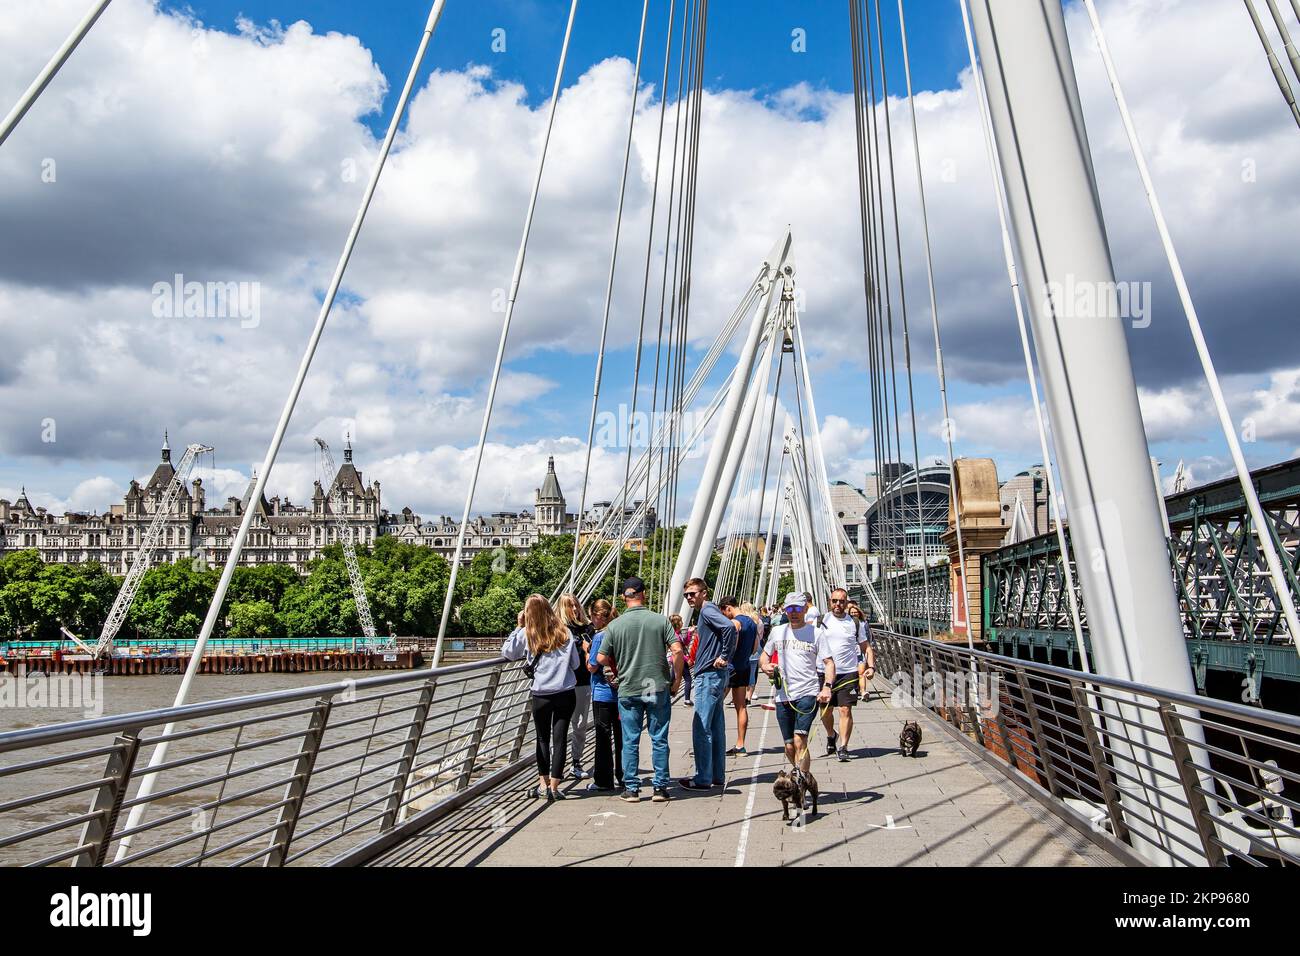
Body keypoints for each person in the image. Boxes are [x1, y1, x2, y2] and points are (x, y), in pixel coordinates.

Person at [596, 576, 683, 803]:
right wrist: (676, 680)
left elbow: (601, 657)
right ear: (643, 594)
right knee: (659, 738)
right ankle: (660, 787)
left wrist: (618, 667)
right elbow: (677, 651)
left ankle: (632, 788)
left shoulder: (614, 626)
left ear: (624, 598)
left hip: (629, 687)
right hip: (656, 686)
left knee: (630, 739)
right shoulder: (660, 621)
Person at [501, 594, 582, 801]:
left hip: (541, 695)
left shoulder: (528, 633)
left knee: (542, 739)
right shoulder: (565, 632)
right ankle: (555, 787)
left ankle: (542, 784)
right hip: (565, 693)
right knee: (560, 738)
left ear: (527, 613)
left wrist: (519, 626)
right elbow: (575, 665)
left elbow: (508, 653)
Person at [760, 592, 832, 775]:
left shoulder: (816, 634)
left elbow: (829, 663)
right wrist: (765, 665)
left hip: (808, 693)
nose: (793, 613)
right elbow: (765, 655)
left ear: (805, 609)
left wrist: (827, 687)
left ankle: (802, 782)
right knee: (789, 746)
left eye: (797, 609)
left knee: (800, 740)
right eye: (790, 609)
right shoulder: (777, 632)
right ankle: (799, 772)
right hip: (783, 694)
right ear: (785, 610)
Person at [679, 578, 739, 791]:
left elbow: (730, 628)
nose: (689, 598)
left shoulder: (707, 611)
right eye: (686, 595)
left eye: (693, 594)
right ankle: (717, 775)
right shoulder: (709, 611)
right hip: (716, 674)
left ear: (704, 593)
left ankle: (703, 778)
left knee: (701, 726)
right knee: (716, 725)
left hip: (708, 675)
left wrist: (724, 656)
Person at [816, 587, 875, 761]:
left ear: (846, 602)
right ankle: (830, 734)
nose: (838, 604)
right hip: (824, 673)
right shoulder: (821, 621)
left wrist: (871, 666)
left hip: (847, 673)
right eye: (834, 601)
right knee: (825, 711)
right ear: (830, 601)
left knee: (845, 709)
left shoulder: (854, 623)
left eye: (841, 601)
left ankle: (843, 746)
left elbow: (866, 647)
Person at [586, 607, 623, 793]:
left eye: (592, 616)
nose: (591, 620)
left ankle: (603, 780)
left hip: (603, 693)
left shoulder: (600, 637)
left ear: (600, 617)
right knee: (622, 737)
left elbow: (593, 666)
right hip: (622, 692)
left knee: (603, 737)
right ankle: (624, 777)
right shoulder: (621, 633)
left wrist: (587, 652)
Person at [559, 594, 595, 780]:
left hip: (583, 680)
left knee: (580, 724)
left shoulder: (588, 628)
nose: (574, 609)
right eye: (569, 606)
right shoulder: (559, 629)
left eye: (576, 605)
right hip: (563, 683)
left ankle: (576, 762)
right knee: (559, 726)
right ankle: (557, 764)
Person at [720, 596, 758, 756]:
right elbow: (755, 647)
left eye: (724, 612)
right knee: (741, 707)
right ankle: (740, 744)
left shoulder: (735, 622)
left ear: (728, 608)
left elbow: (731, 645)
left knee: (714, 704)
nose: (724, 616)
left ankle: (710, 744)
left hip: (731, 668)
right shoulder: (752, 623)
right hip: (744, 666)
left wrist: (725, 658)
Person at [670, 613, 691, 705]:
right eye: (681, 621)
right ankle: (686, 700)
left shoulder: (677, 634)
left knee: (672, 678)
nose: (683, 623)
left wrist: (690, 633)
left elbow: (685, 644)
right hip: (680, 660)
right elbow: (678, 650)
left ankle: (668, 694)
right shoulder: (676, 635)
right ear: (678, 623)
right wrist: (687, 659)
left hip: (676, 659)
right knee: (688, 679)